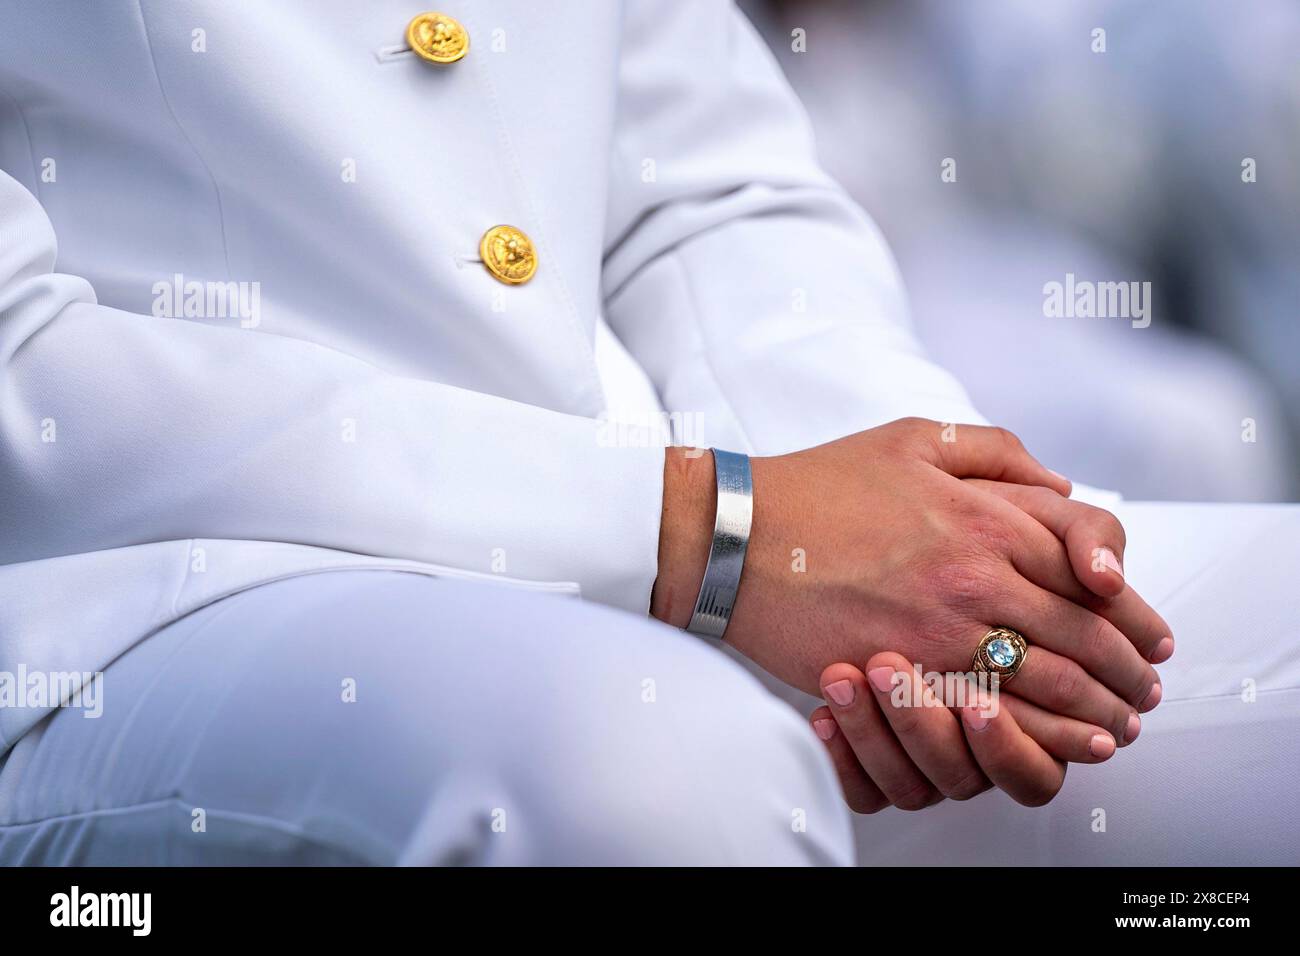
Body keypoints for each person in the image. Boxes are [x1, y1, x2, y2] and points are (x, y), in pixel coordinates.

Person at [0, 2, 1294, 865]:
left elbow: (707, 191)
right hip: (143, 602)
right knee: (660, 773)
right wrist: (705, 531)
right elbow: (26, 366)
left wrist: (934, 555)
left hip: (685, 512)